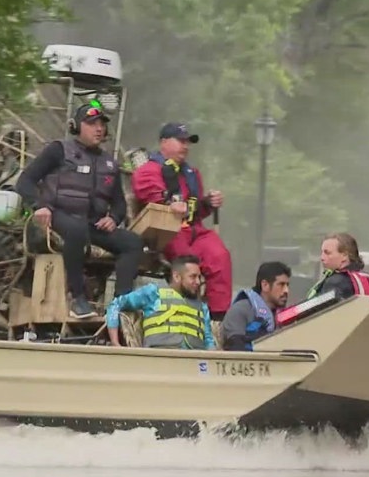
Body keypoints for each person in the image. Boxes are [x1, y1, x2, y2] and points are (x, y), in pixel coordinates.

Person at [14, 102, 145, 319]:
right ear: (76, 127)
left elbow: (119, 203)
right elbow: (25, 181)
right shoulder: (58, 151)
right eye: (91, 123)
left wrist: (113, 218)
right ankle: (78, 299)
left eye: (102, 123)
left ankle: (122, 303)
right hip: (56, 217)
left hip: (91, 224)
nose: (99, 128)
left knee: (132, 242)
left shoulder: (109, 164)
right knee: (75, 230)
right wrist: (39, 206)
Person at [130, 122, 233, 321]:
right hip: (165, 231)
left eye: (188, 142)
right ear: (163, 142)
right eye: (180, 141)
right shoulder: (149, 170)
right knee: (190, 263)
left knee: (220, 256)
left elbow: (195, 212)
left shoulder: (191, 174)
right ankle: (188, 311)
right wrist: (169, 202)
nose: (185, 146)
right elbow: (146, 191)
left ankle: (217, 318)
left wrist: (208, 203)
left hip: (193, 230)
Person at [104, 254, 216, 349]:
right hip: (159, 359)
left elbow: (208, 341)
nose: (198, 282)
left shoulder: (202, 307)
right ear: (176, 276)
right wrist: (115, 342)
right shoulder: (154, 292)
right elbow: (115, 305)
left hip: (193, 364)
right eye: (193, 277)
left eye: (199, 277)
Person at [220, 261, 292, 351]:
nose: (286, 290)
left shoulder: (282, 316)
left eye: (287, 285)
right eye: (281, 285)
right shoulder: (240, 310)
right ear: (265, 285)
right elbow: (235, 349)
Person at [306, 232, 369, 301]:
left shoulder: (335, 282)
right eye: (322, 252)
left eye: (327, 253)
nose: (322, 257)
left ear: (345, 255)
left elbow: (321, 314)